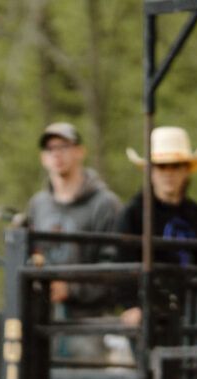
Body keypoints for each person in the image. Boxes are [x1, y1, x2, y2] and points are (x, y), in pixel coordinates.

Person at [114, 126, 197, 326]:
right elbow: (122, 262)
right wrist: (131, 305)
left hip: (193, 310)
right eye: (162, 167)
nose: (168, 174)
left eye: (175, 166)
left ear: (187, 170)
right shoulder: (135, 213)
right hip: (150, 312)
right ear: (150, 172)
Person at [23, 122, 124, 321]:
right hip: (43, 317)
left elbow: (114, 268)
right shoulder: (37, 204)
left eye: (63, 147)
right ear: (43, 158)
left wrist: (71, 289)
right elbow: (28, 257)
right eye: (50, 149)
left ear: (79, 151)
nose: (56, 154)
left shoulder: (105, 204)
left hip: (91, 318)